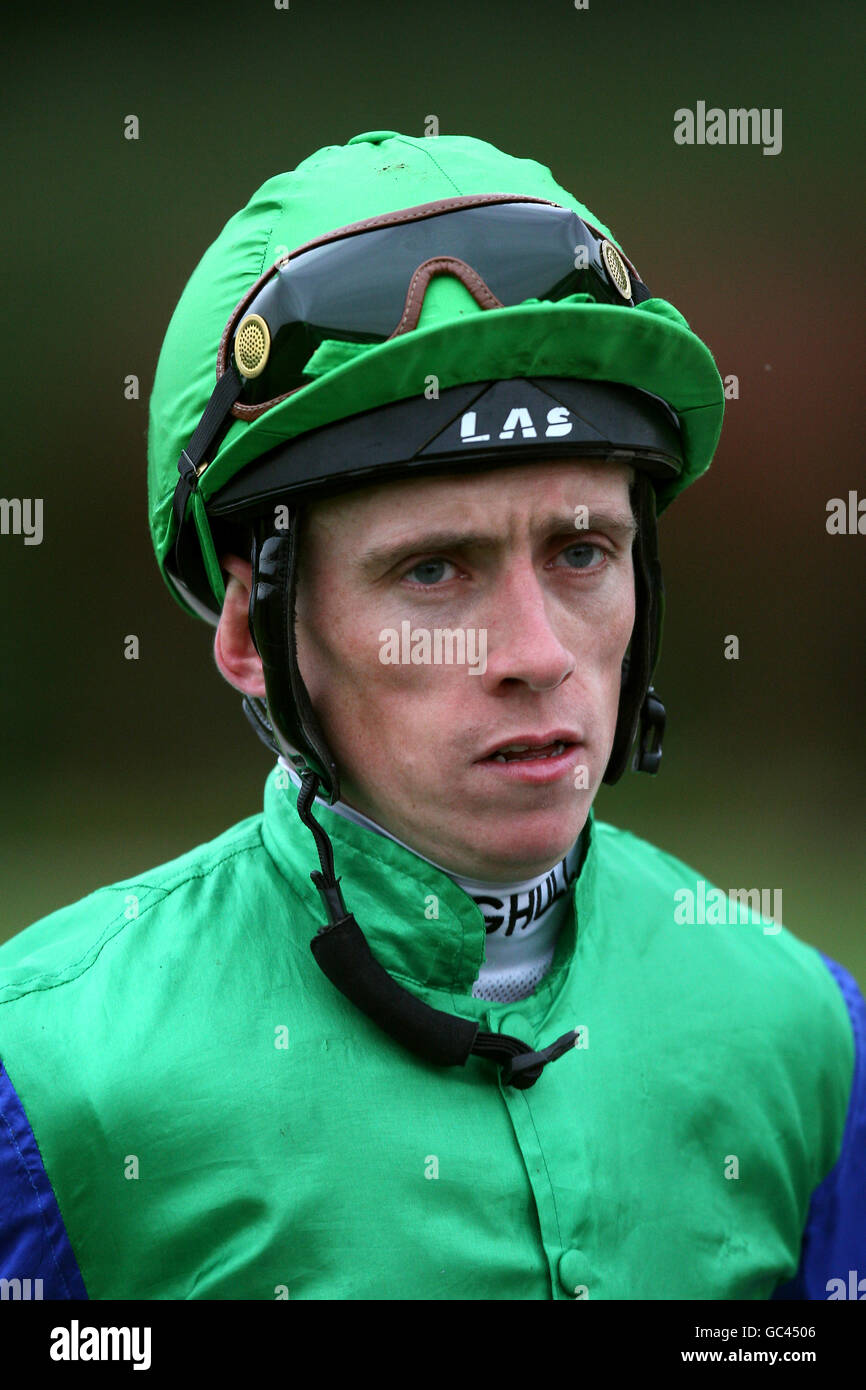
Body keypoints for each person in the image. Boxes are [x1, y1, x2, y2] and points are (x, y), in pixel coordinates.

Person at [1, 130, 863, 1302]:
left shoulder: (807, 1033)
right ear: (256, 635)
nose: (536, 653)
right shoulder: (49, 1077)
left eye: (578, 550)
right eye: (430, 571)